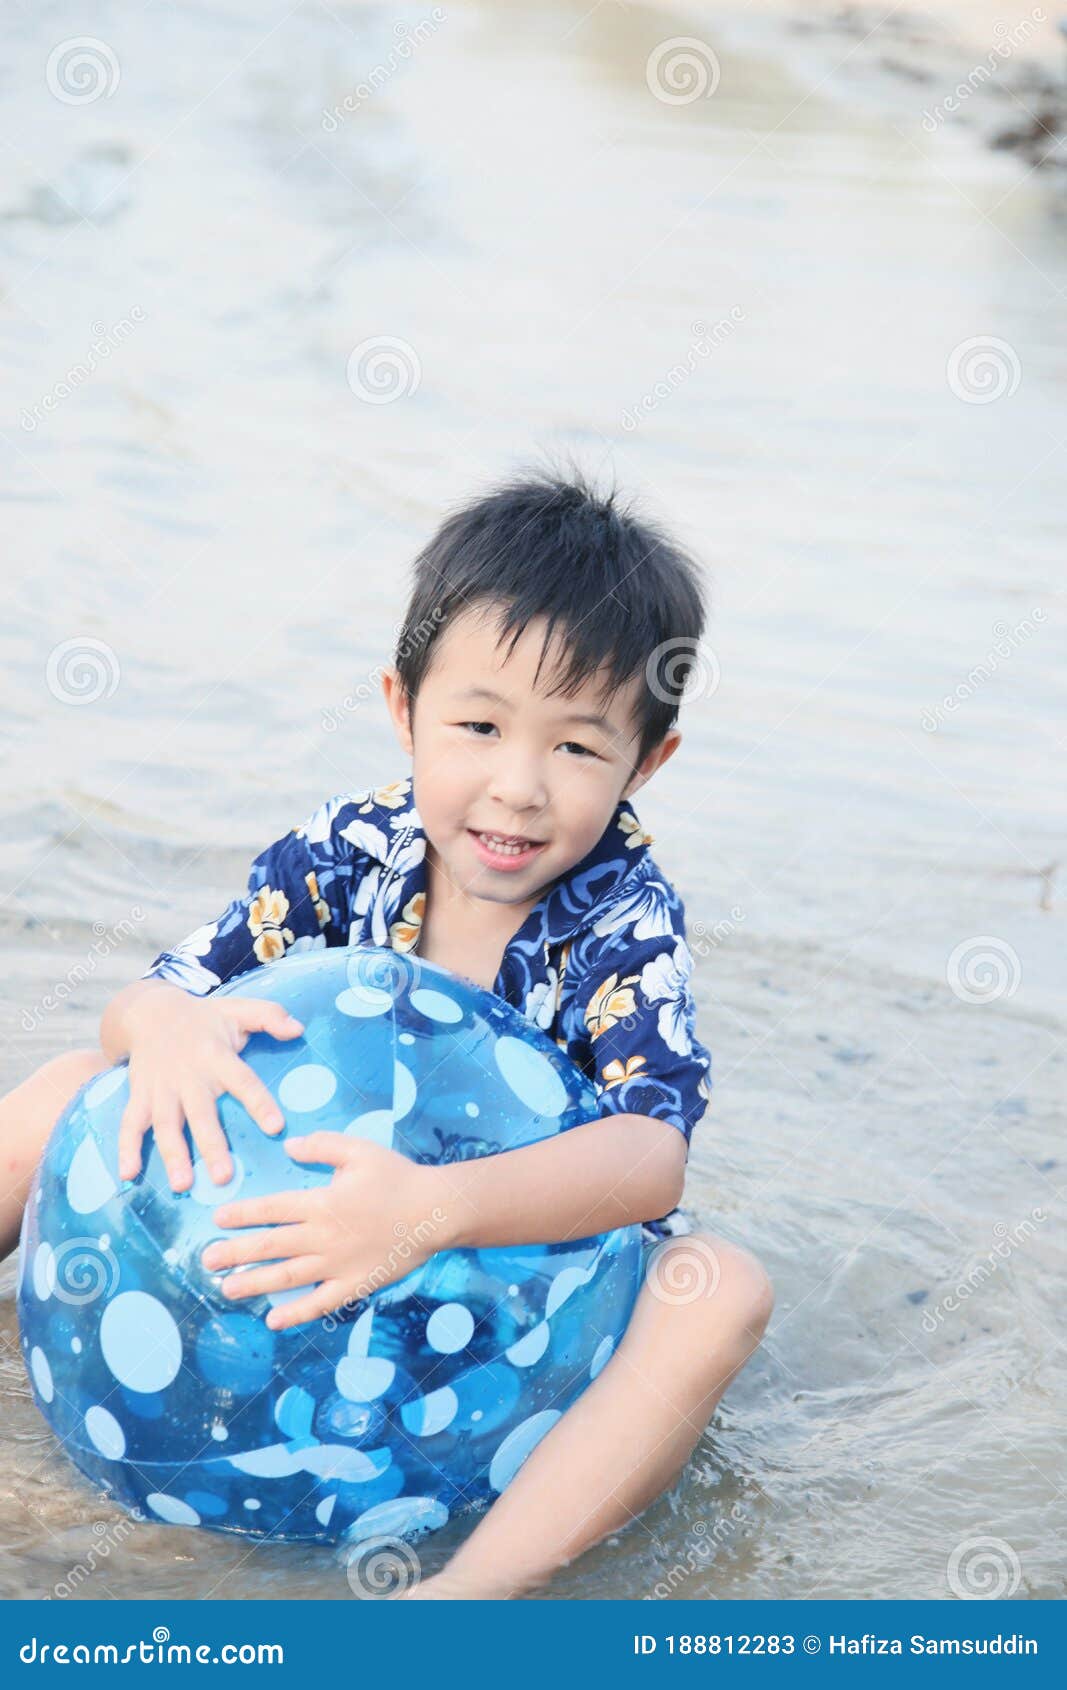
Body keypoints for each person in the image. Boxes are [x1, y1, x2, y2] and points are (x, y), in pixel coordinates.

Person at [0, 470, 772, 1599]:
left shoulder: (622, 917)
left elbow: (651, 1157)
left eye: (574, 749)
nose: (515, 788)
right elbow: (156, 993)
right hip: (294, 1227)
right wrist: (163, 1026)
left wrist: (432, 1210)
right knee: (79, 1077)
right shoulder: (350, 846)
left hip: (508, 1275)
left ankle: (456, 1605)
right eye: (476, 726)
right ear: (401, 706)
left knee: (721, 1287)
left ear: (645, 762)